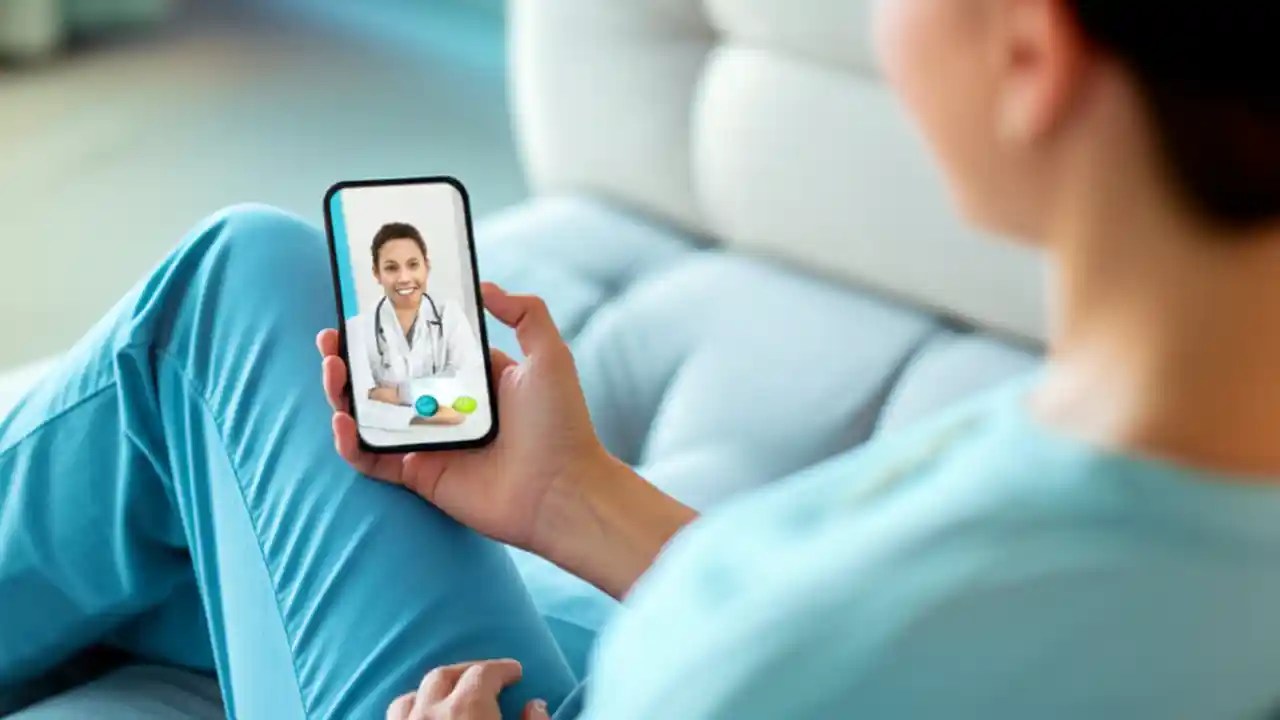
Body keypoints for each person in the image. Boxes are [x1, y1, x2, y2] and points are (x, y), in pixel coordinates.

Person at [1, 0, 1277, 718]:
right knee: (223, 463)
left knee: (237, 293)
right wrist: (578, 499)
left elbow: (803, 654)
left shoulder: (788, 663)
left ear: (1030, 58)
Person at [346, 222, 483, 430]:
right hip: (390, 443)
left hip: (453, 438)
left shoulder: (449, 315)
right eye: (391, 268)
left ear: (426, 266)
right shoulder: (358, 328)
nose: (404, 278)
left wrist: (399, 394)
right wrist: (428, 414)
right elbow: (358, 405)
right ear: (376, 273)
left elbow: (470, 382)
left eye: (413, 265)